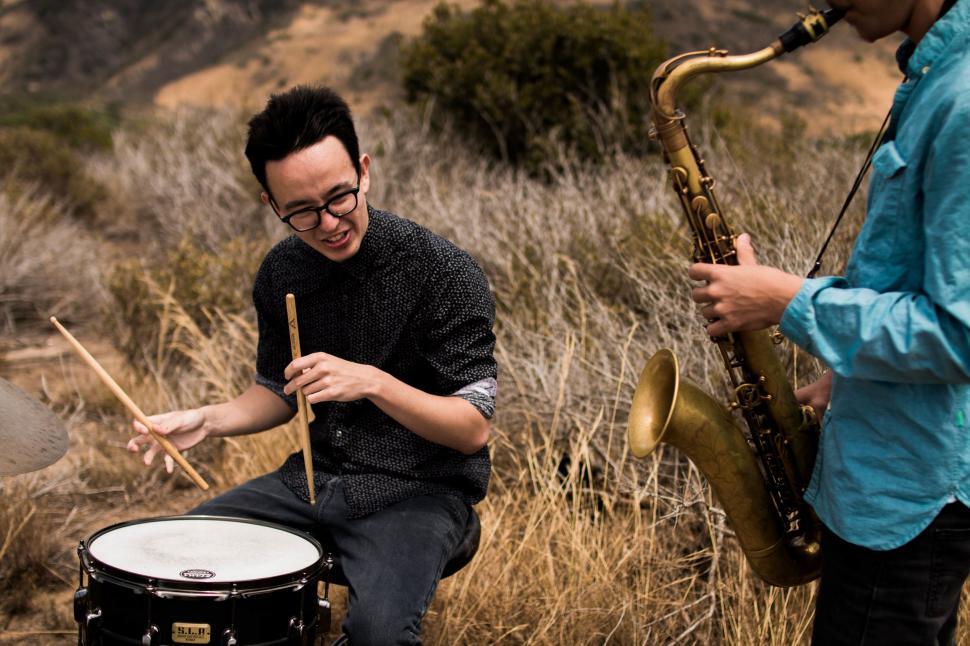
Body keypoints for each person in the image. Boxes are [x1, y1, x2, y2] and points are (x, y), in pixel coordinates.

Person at [127, 85, 498, 645]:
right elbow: (280, 391)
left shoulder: (443, 272)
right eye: (301, 211)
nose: (328, 223)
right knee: (178, 567)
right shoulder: (281, 272)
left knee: (377, 634)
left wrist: (372, 382)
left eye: (339, 197)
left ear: (364, 171)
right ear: (272, 206)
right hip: (310, 481)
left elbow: (471, 430)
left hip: (419, 492)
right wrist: (208, 420)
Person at [689, 0, 970, 643]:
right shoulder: (934, 77)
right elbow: (921, 284)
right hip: (898, 470)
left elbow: (961, 333)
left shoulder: (963, 99)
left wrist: (787, 302)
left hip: (913, 494)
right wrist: (854, 379)